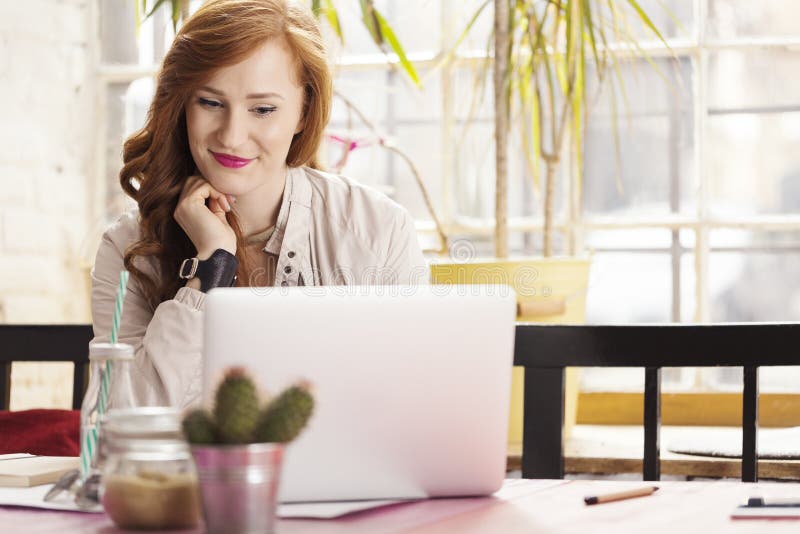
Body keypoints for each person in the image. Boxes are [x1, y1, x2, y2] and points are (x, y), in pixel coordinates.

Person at [90, 0, 428, 408]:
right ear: (181, 106)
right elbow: (122, 418)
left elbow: (408, 404)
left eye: (263, 109)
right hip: (187, 475)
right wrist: (211, 265)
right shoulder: (127, 248)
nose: (232, 136)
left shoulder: (378, 231)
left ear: (304, 112)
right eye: (210, 103)